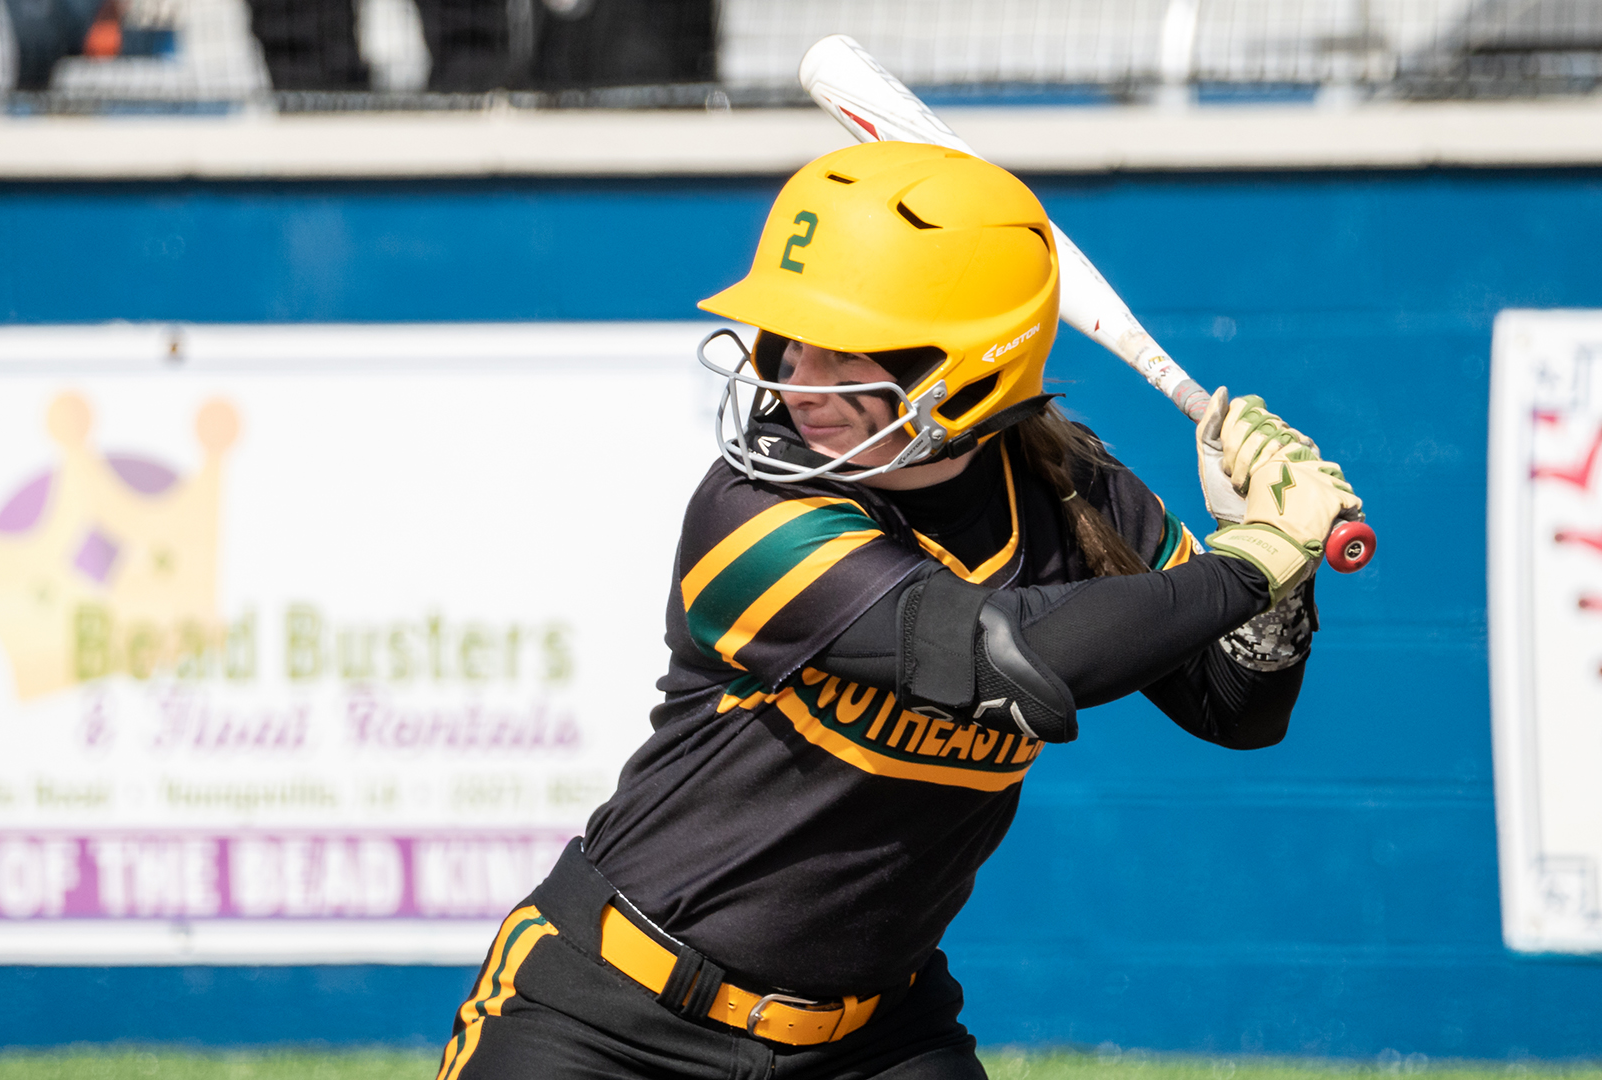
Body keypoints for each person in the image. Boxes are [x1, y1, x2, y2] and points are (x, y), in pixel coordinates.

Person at [435, 140, 1362, 1079]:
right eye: (789, 335)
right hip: (615, 1014)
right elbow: (1010, 661)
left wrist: (1276, 570)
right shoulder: (753, 510)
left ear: (962, 368)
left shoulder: (1071, 485)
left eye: (846, 347)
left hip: (874, 1040)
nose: (797, 374)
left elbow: (1236, 707)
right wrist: (1258, 558)